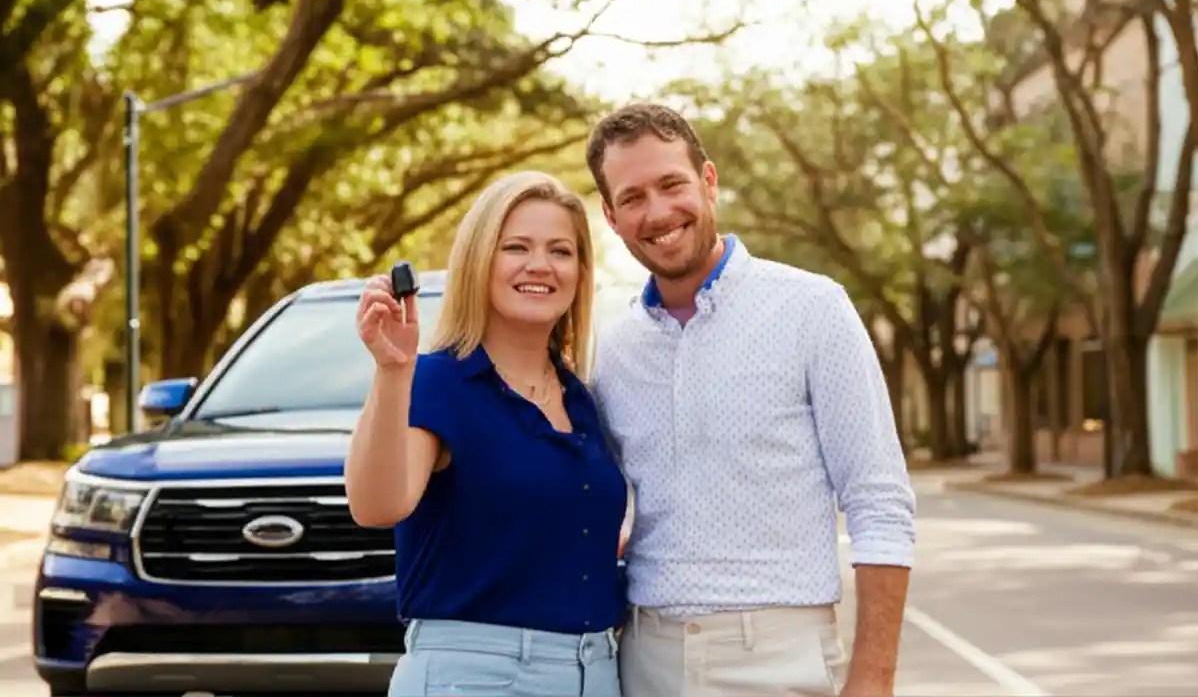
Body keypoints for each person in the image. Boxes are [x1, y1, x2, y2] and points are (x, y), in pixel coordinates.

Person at [585, 104, 917, 697]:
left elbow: (879, 501)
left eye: (671, 184)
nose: (658, 212)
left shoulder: (813, 309)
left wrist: (874, 677)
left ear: (708, 182)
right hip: (644, 658)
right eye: (632, 198)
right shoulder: (614, 348)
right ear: (610, 217)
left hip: (778, 658)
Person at [344, 171, 627, 697]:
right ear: (479, 261)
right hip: (477, 677)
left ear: (581, 272)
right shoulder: (435, 380)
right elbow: (375, 505)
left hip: (595, 672)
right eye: (515, 246)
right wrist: (392, 370)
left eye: (560, 251)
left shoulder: (581, 399)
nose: (539, 265)